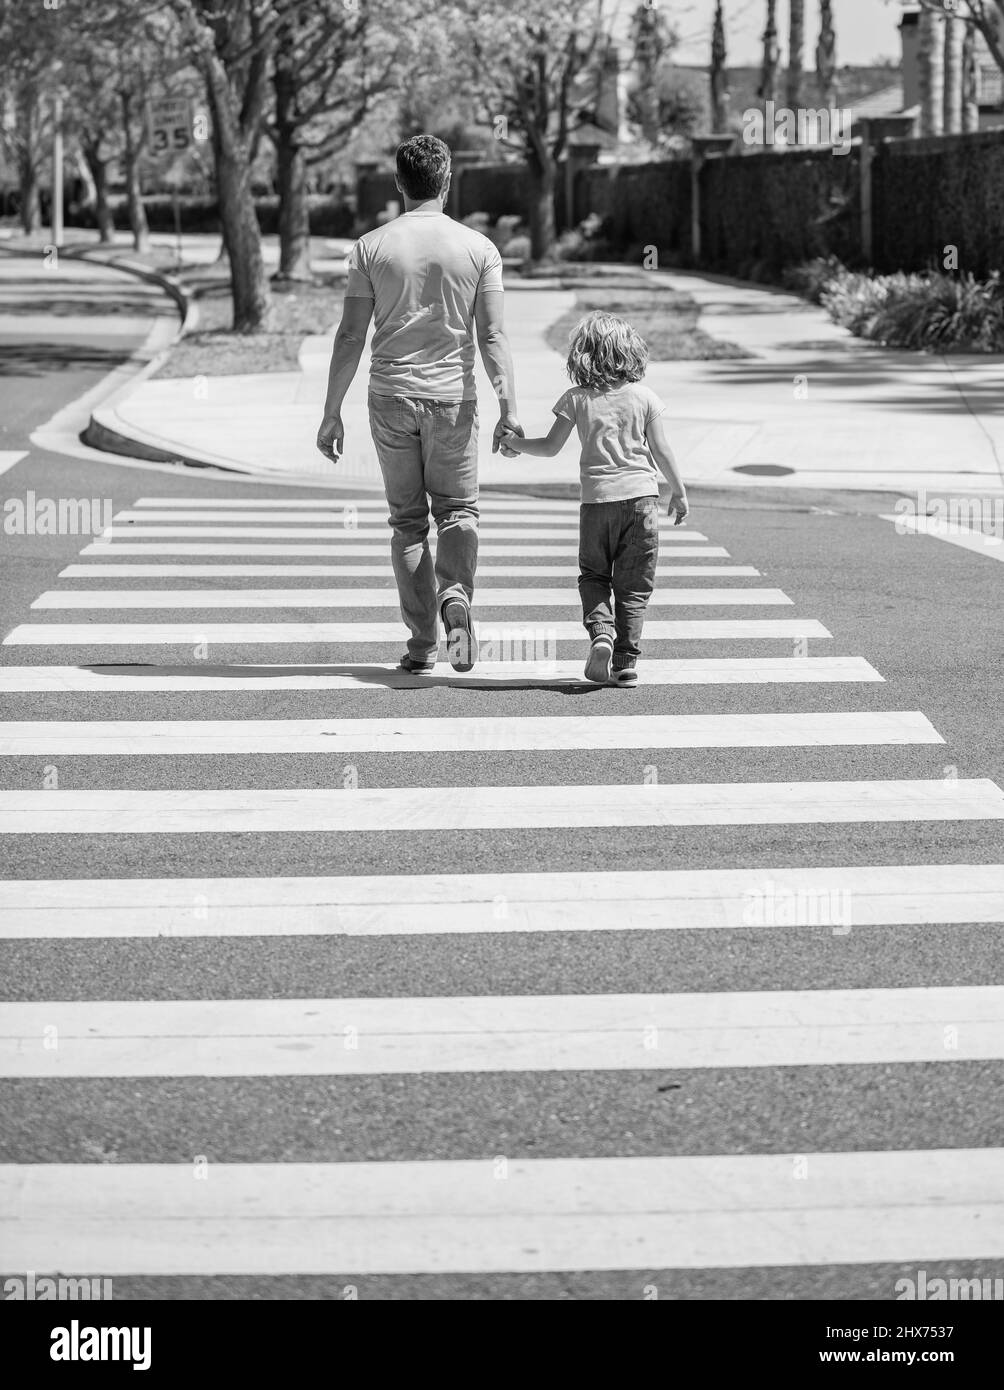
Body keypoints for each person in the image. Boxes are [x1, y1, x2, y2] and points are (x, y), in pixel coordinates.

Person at [316, 135, 520, 673]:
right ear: (448, 180)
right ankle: (457, 599)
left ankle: (423, 646)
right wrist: (509, 407)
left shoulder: (369, 247)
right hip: (454, 398)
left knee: (407, 523)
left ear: (399, 184)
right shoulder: (480, 250)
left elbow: (349, 337)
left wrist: (331, 410)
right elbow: (493, 336)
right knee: (457, 512)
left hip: (389, 396)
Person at [501, 311, 688, 687]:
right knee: (635, 585)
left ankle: (601, 633)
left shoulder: (576, 399)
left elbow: (551, 447)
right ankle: (626, 662)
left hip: (597, 504)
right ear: (630, 352)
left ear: (581, 356)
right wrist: (679, 491)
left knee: (595, 575)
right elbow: (662, 449)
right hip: (644, 503)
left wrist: (513, 443)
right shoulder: (645, 397)